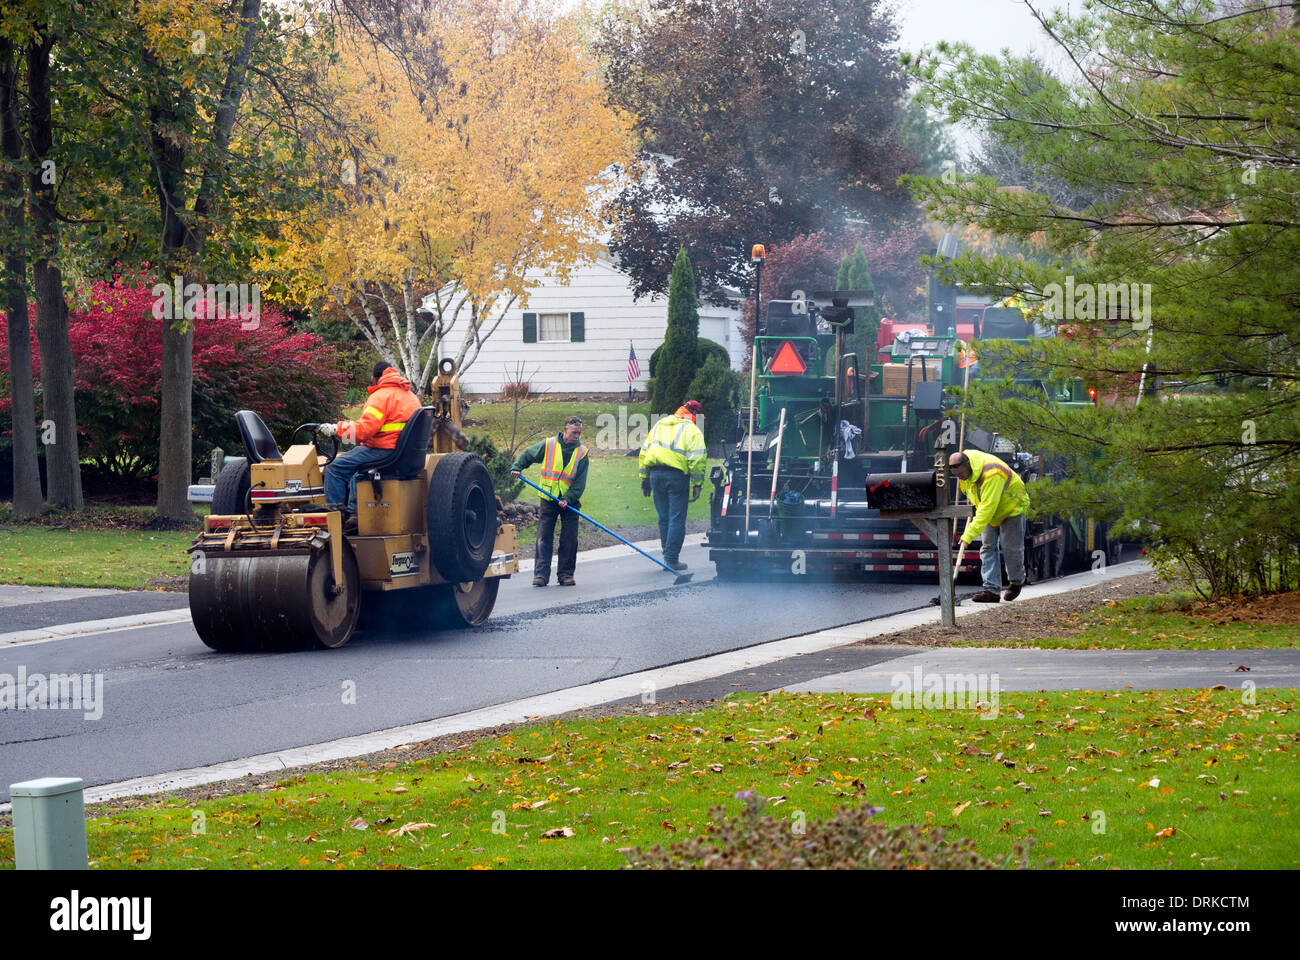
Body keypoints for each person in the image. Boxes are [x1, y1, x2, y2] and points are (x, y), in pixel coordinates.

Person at [319, 361, 421, 531]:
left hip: (383, 450)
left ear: (375, 379)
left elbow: (364, 431)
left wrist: (337, 429)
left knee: (335, 468)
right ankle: (354, 513)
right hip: (403, 453)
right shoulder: (410, 395)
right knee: (356, 468)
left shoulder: (381, 397)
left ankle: (336, 523)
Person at [511, 416, 589, 587]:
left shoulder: (582, 453)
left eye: (579, 432)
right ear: (565, 429)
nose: (577, 435)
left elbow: (580, 482)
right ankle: (540, 575)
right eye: (574, 432)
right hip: (548, 498)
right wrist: (517, 467)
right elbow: (528, 454)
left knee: (569, 539)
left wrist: (568, 498)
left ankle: (566, 575)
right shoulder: (549, 444)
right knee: (543, 538)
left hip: (570, 502)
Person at [949, 449, 1030, 602]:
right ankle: (991, 590)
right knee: (987, 548)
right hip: (989, 507)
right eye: (956, 476)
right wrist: (970, 497)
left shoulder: (992, 473)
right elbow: (968, 485)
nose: (959, 478)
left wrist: (968, 536)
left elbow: (987, 509)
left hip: (1010, 507)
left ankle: (1016, 581)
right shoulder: (966, 465)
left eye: (960, 475)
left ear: (967, 465)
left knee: (1011, 548)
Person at [639, 400, 707, 572]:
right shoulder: (692, 429)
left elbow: (644, 451)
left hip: (655, 475)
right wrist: (698, 484)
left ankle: (666, 557)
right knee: (676, 518)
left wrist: (644, 478)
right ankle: (671, 559)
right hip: (677, 477)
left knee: (663, 518)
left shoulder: (660, 424)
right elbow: (697, 458)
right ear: (694, 414)